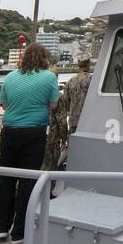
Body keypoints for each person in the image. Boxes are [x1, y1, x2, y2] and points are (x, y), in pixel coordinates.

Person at [0, 42, 59, 244]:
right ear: (43, 58)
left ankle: (1, 228)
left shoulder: (10, 77)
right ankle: (18, 232)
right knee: (27, 182)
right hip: (34, 134)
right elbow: (52, 105)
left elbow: (4, 105)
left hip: (9, 133)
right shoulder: (49, 77)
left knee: (6, 181)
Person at [46, 58, 93, 196]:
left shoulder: (70, 82)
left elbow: (65, 103)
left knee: (72, 152)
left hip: (73, 121)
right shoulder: (91, 80)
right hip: (88, 121)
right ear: (88, 65)